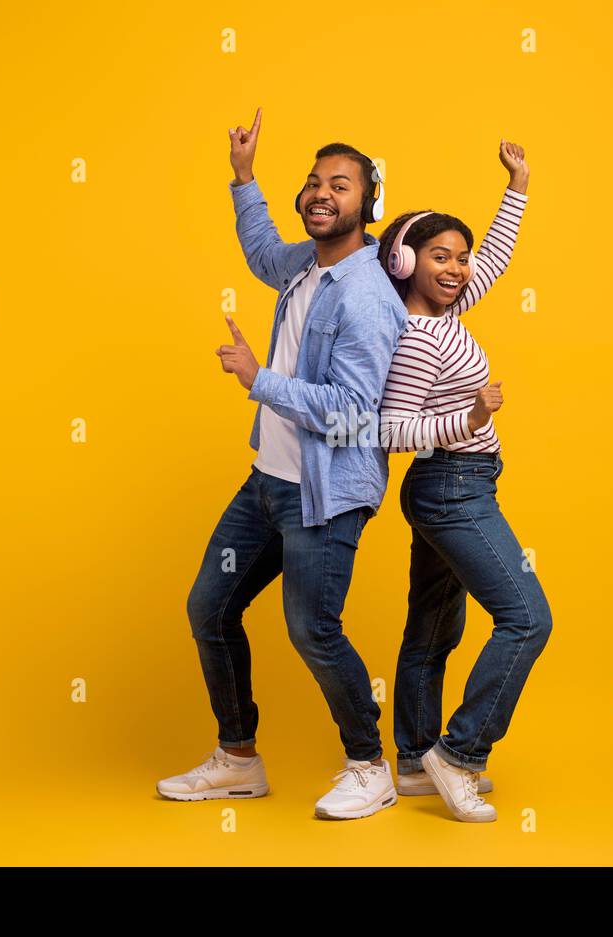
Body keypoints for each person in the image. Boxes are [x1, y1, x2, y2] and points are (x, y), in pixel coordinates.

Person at [155, 108, 409, 820]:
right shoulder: (305, 264)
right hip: (269, 482)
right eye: (313, 181)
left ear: (368, 205)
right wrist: (244, 178)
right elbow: (265, 253)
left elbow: (355, 411)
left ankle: (369, 765)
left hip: (323, 495)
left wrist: (258, 378)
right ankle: (238, 759)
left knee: (312, 630)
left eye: (341, 185)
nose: (321, 193)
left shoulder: (366, 295)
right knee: (210, 606)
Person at [376, 140, 552, 822]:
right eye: (438, 255)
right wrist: (469, 414)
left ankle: (417, 760)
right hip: (453, 487)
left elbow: (496, 261)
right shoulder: (420, 334)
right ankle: (459, 754)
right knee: (527, 618)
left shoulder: (447, 311)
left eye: (459, 256)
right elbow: (392, 433)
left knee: (432, 630)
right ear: (404, 262)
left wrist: (518, 186)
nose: (455, 267)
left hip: (458, 485)